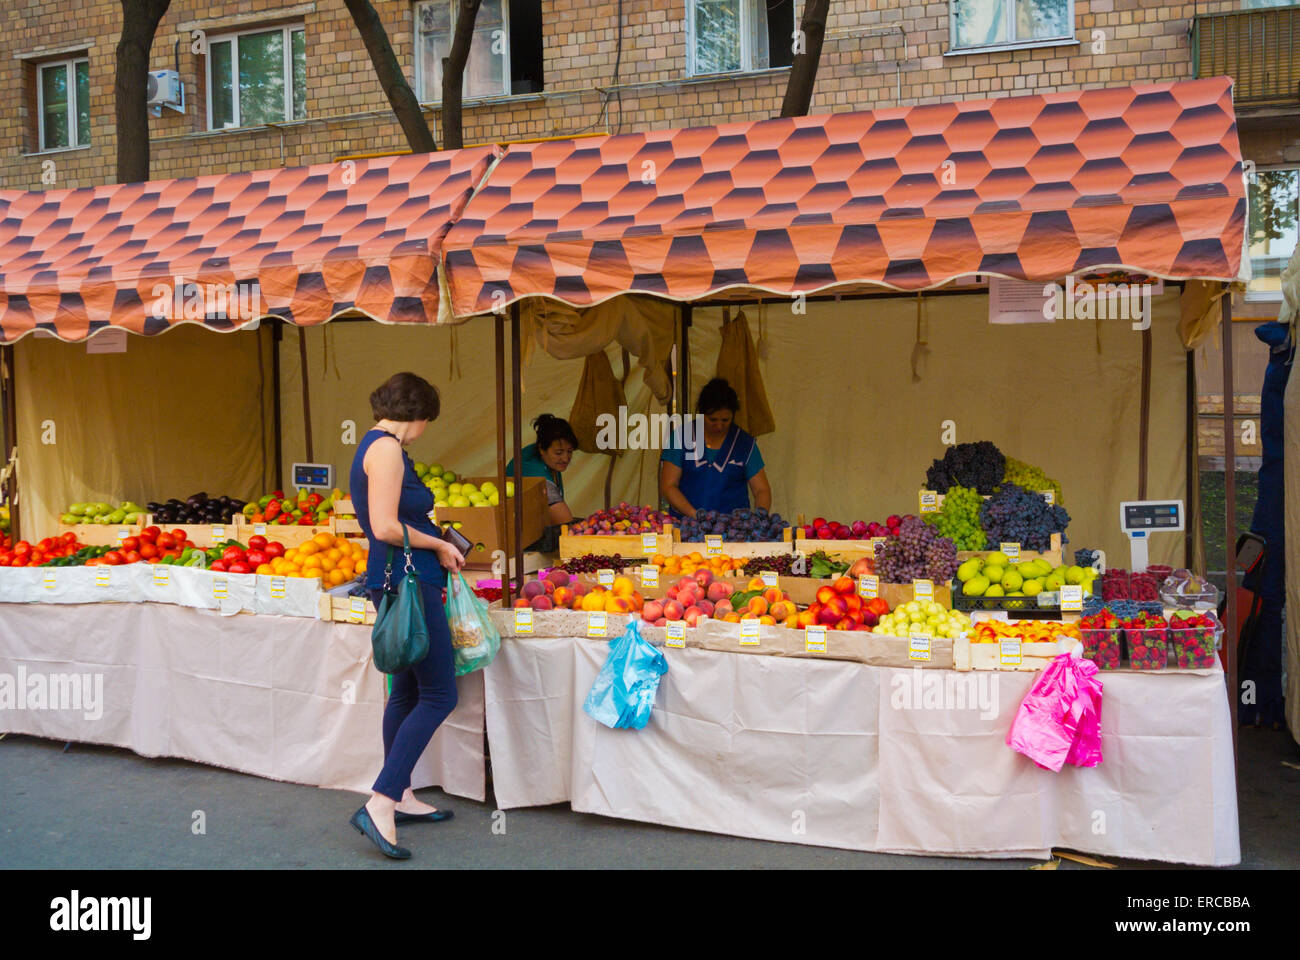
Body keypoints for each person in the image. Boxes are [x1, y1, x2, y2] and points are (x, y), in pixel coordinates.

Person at [346, 372, 466, 861]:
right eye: (426, 421)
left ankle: (404, 795)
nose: (425, 430)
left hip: (396, 578)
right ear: (416, 414)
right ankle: (381, 800)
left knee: (407, 691)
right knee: (440, 694)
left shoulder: (374, 445)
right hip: (407, 580)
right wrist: (439, 542)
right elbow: (386, 526)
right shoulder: (390, 449)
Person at [659, 378, 772, 518]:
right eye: (712, 419)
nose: (719, 426)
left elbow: (761, 489)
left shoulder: (744, 443)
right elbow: (668, 486)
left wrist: (759, 518)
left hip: (734, 531)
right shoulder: (681, 437)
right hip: (686, 528)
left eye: (725, 420)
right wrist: (695, 515)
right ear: (701, 413)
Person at [505, 413, 579, 551]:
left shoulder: (547, 459)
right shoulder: (532, 468)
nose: (565, 458)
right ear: (541, 449)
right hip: (519, 543)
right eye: (559, 453)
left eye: (569, 452)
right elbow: (565, 523)